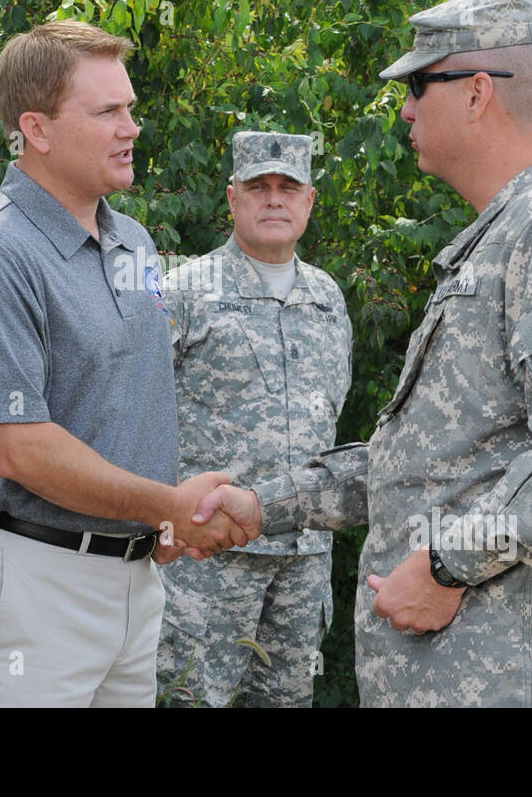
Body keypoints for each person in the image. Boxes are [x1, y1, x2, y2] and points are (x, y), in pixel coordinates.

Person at [196, 0, 532, 707]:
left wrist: (450, 563)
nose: (406, 108)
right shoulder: (500, 240)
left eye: (420, 85)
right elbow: (427, 463)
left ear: (478, 92)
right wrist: (265, 503)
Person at [0, 20, 250, 708]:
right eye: (108, 111)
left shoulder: (131, 241)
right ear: (36, 129)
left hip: (135, 581)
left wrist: (157, 521)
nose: (131, 126)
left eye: (130, 107)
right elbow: (18, 448)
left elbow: (129, 400)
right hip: (33, 584)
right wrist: (168, 505)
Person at [156, 132, 352, 707]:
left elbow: (332, 411)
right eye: (258, 187)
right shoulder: (185, 290)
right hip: (206, 560)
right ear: (232, 197)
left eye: (288, 187)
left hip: (304, 557)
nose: (273, 200)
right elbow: (139, 413)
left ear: (309, 201)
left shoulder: (327, 298)